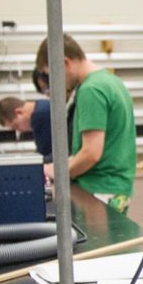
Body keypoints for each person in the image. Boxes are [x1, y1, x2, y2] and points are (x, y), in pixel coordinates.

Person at [36, 34, 136, 212]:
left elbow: (91, 153)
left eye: (52, 74)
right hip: (114, 188)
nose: (56, 83)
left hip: (99, 190)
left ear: (65, 63)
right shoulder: (110, 81)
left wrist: (57, 172)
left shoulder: (91, 90)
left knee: (99, 241)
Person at [0, 96, 53, 162]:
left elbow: (43, 158)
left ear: (19, 112)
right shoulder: (43, 105)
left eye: (16, 126)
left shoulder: (39, 117)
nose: (20, 130)